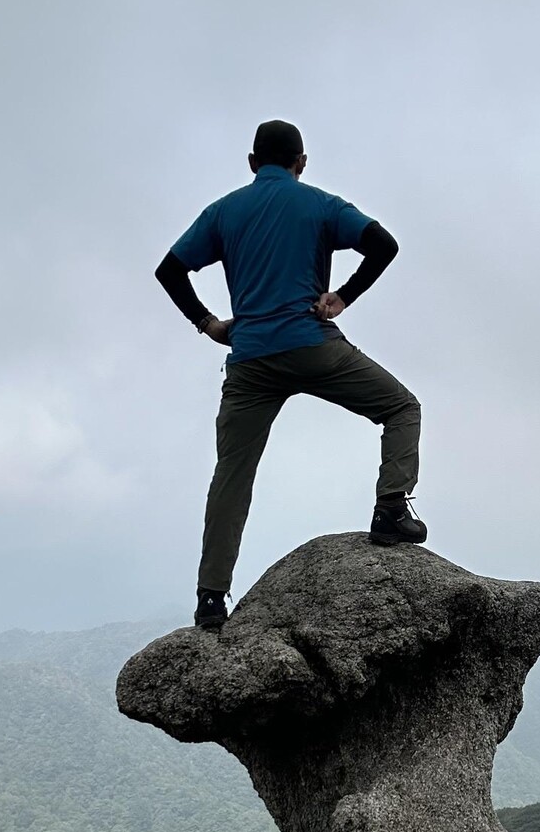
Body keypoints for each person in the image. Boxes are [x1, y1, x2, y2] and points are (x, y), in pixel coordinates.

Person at [154, 119, 425, 630]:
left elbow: (169, 269)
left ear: (253, 163)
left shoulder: (224, 212)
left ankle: (211, 598)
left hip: (250, 360)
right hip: (312, 346)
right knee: (401, 407)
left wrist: (209, 323)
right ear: (301, 163)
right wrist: (341, 296)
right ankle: (390, 510)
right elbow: (383, 245)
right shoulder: (321, 205)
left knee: (232, 476)